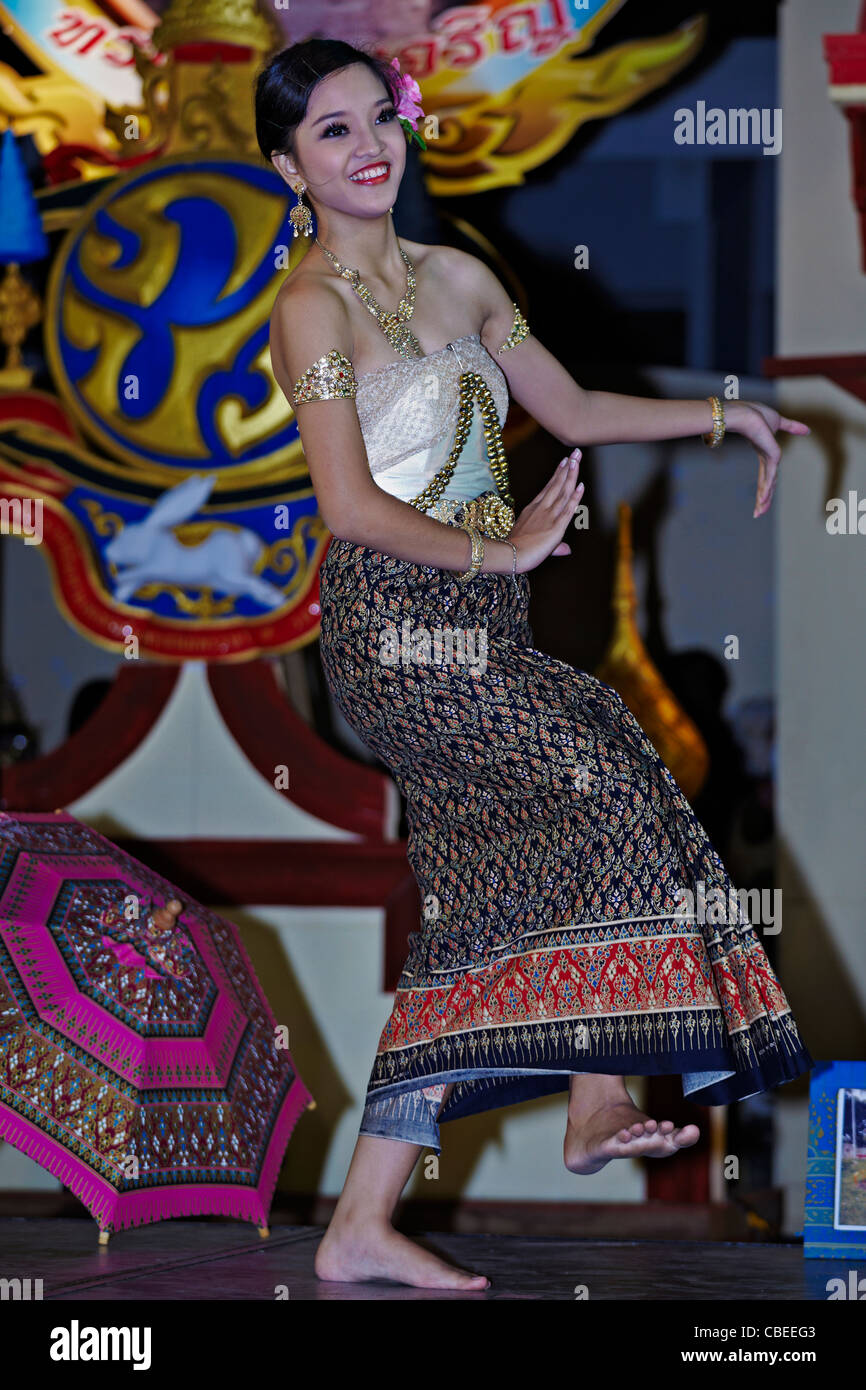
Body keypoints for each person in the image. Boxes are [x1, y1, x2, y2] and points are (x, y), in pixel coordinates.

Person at [255, 37, 815, 1291]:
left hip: (485, 624)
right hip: (398, 630)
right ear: (289, 166)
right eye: (329, 133)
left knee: (487, 904)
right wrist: (496, 548)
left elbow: (567, 409)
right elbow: (345, 505)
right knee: (606, 787)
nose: (365, 148)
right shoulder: (311, 309)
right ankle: (592, 1091)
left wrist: (725, 414)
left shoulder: (459, 277)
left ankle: (359, 1223)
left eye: (374, 120)